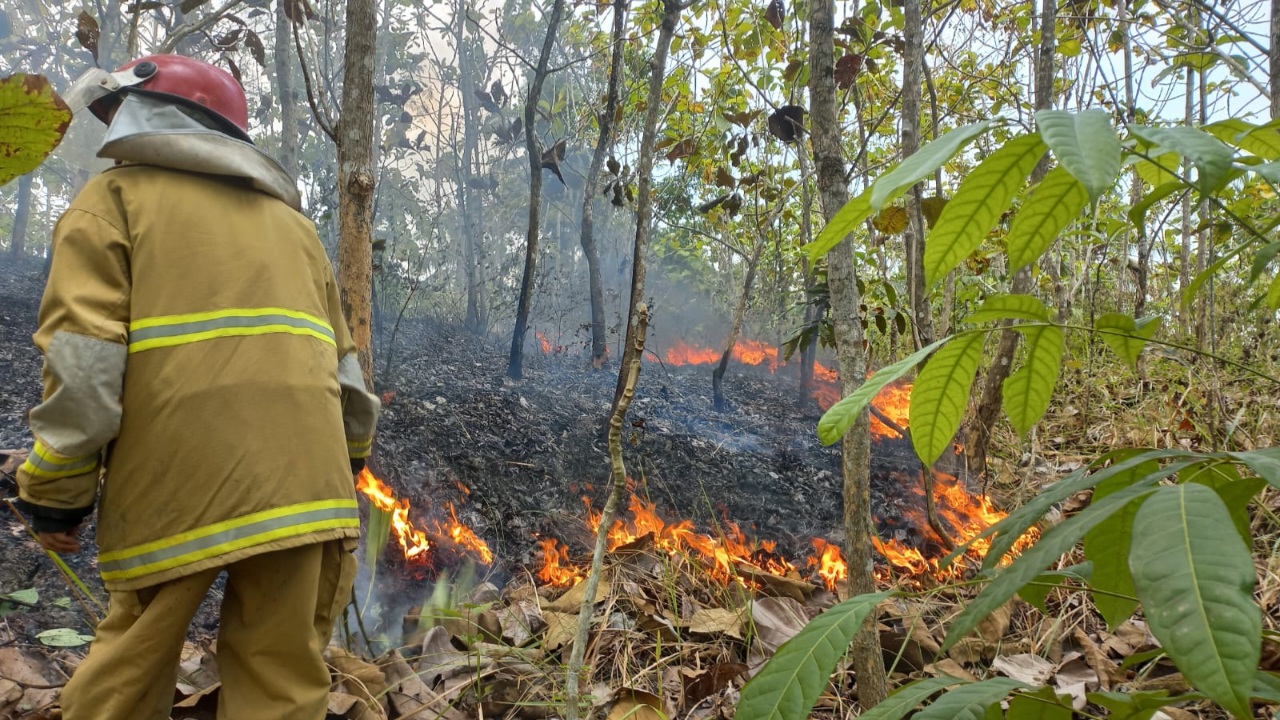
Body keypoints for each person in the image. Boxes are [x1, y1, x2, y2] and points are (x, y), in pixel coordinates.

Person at [13, 54, 379, 720]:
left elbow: (84, 366)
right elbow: (348, 382)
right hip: (305, 488)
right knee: (282, 679)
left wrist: (56, 492)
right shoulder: (298, 232)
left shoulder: (109, 203)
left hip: (176, 487)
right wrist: (345, 461)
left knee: (128, 669)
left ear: (142, 116)